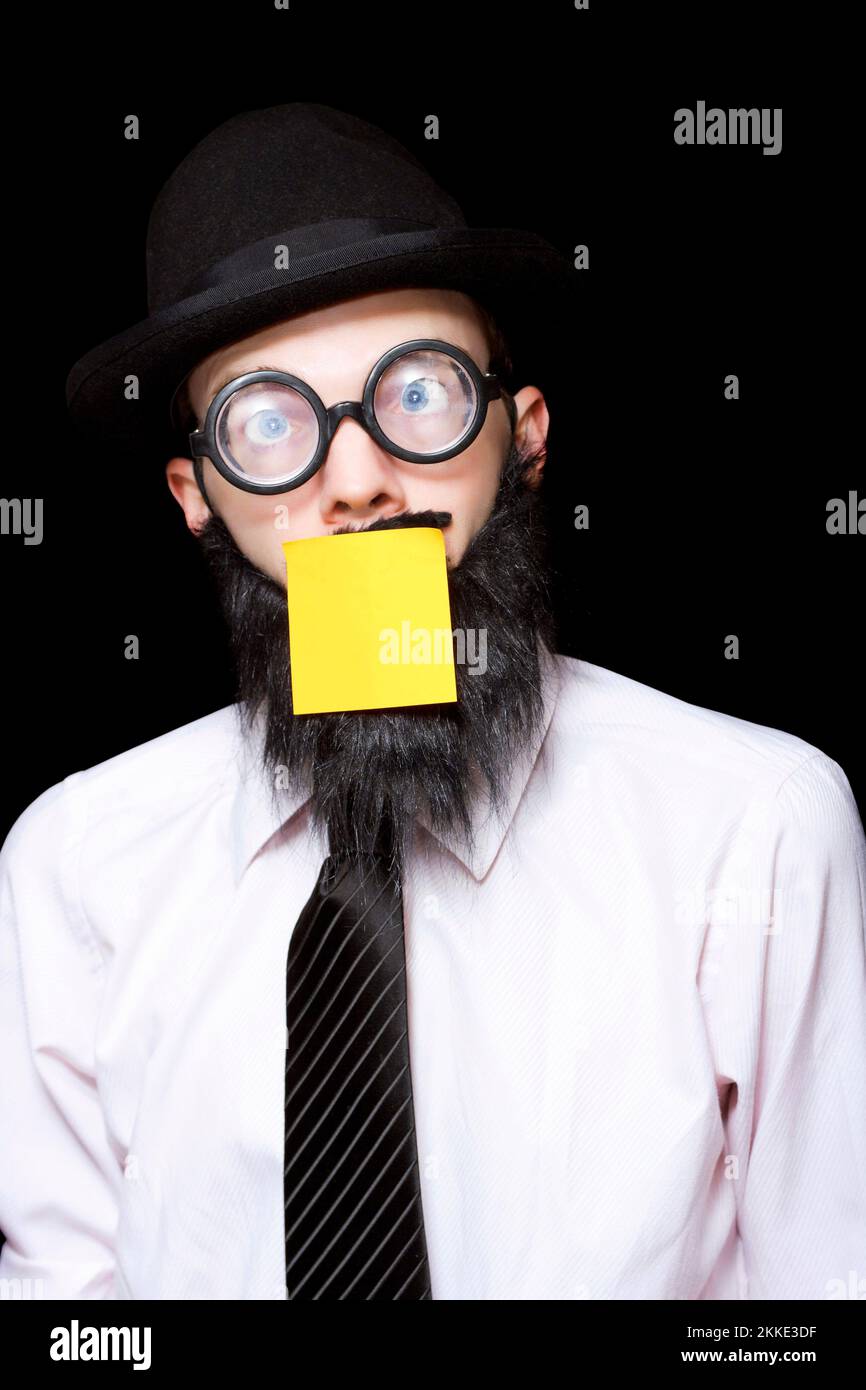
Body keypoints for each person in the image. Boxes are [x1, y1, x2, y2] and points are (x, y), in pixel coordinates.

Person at [1, 103, 864, 1302]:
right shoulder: (77, 860)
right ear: (196, 495)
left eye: (418, 394)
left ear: (524, 432)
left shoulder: (754, 825)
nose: (356, 481)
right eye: (269, 425)